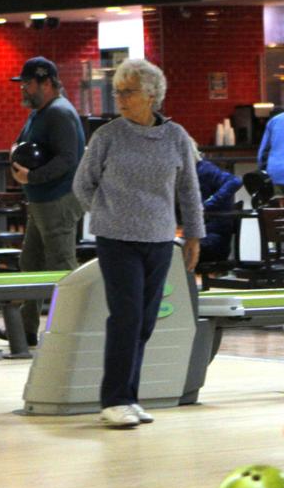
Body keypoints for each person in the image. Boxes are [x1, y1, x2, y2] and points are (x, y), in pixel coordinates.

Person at [73, 59, 204, 428]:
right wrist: (106, 214)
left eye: (127, 91)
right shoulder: (108, 136)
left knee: (145, 321)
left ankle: (129, 396)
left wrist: (194, 234)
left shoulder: (175, 136)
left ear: (151, 95)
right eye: (117, 91)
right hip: (117, 239)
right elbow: (83, 184)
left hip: (160, 239)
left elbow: (189, 190)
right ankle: (114, 399)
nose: (120, 98)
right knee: (126, 316)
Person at [0, 57, 85, 347]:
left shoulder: (59, 113)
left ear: (46, 83)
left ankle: (69, 330)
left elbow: (68, 159)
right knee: (31, 262)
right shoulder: (41, 112)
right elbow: (21, 143)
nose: (22, 89)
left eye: (27, 83)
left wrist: (32, 178)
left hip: (57, 200)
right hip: (42, 202)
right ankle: (25, 329)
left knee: (61, 266)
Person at [196, 157, 242, 263]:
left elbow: (235, 181)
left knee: (172, 250)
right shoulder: (197, 170)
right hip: (208, 234)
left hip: (213, 238)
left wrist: (208, 204)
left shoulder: (204, 169)